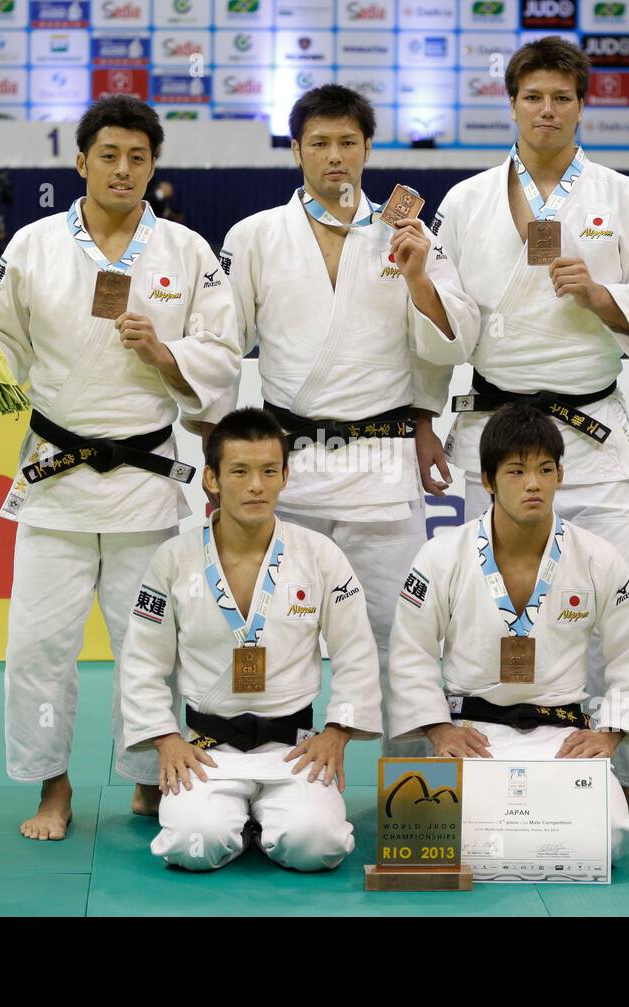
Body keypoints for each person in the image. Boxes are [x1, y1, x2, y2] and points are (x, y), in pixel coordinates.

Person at [0, 96, 242, 840]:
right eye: (108, 155)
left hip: (148, 485)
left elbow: (221, 355)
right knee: (38, 647)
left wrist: (165, 352)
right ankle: (54, 786)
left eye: (138, 158)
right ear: (81, 162)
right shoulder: (33, 244)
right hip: (55, 479)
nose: (123, 169)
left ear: (153, 166)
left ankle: (149, 779)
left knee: (147, 642)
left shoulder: (186, 250)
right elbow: (9, 352)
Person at [430, 37, 629, 840]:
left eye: (563, 98)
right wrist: (414, 284)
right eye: (534, 96)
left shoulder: (626, 197)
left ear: (583, 106)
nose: (548, 110)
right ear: (511, 102)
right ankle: (464, 757)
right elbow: (445, 323)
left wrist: (604, 295)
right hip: (497, 429)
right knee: (484, 599)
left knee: (621, 605)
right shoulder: (467, 202)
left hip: (592, 430)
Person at [200, 84, 480, 755]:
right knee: (269, 626)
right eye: (319, 143)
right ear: (295, 149)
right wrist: (215, 446)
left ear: (367, 148)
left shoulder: (407, 233)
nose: (334, 157)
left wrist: (417, 281)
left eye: (347, 143)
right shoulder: (256, 236)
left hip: (379, 466)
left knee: (397, 634)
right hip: (285, 470)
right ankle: (258, 774)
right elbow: (216, 343)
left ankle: (407, 798)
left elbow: (452, 338)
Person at [387, 404, 629, 862]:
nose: (533, 483)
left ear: (560, 476)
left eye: (545, 470)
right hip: (470, 731)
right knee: (426, 833)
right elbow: (409, 651)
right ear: (489, 482)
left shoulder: (598, 558)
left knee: (611, 836)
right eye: (516, 471)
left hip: (561, 735)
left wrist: (609, 734)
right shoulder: (441, 556)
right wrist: (437, 730)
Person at [120, 408, 382, 871]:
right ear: (213, 479)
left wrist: (338, 731)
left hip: (295, 748)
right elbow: (142, 660)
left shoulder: (320, 555)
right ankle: (241, 823)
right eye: (239, 471)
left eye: (267, 471)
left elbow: (356, 651)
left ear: (285, 475)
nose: (256, 485)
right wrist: (165, 738)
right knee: (191, 845)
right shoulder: (173, 558)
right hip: (206, 748)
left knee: (316, 846)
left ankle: (263, 822)